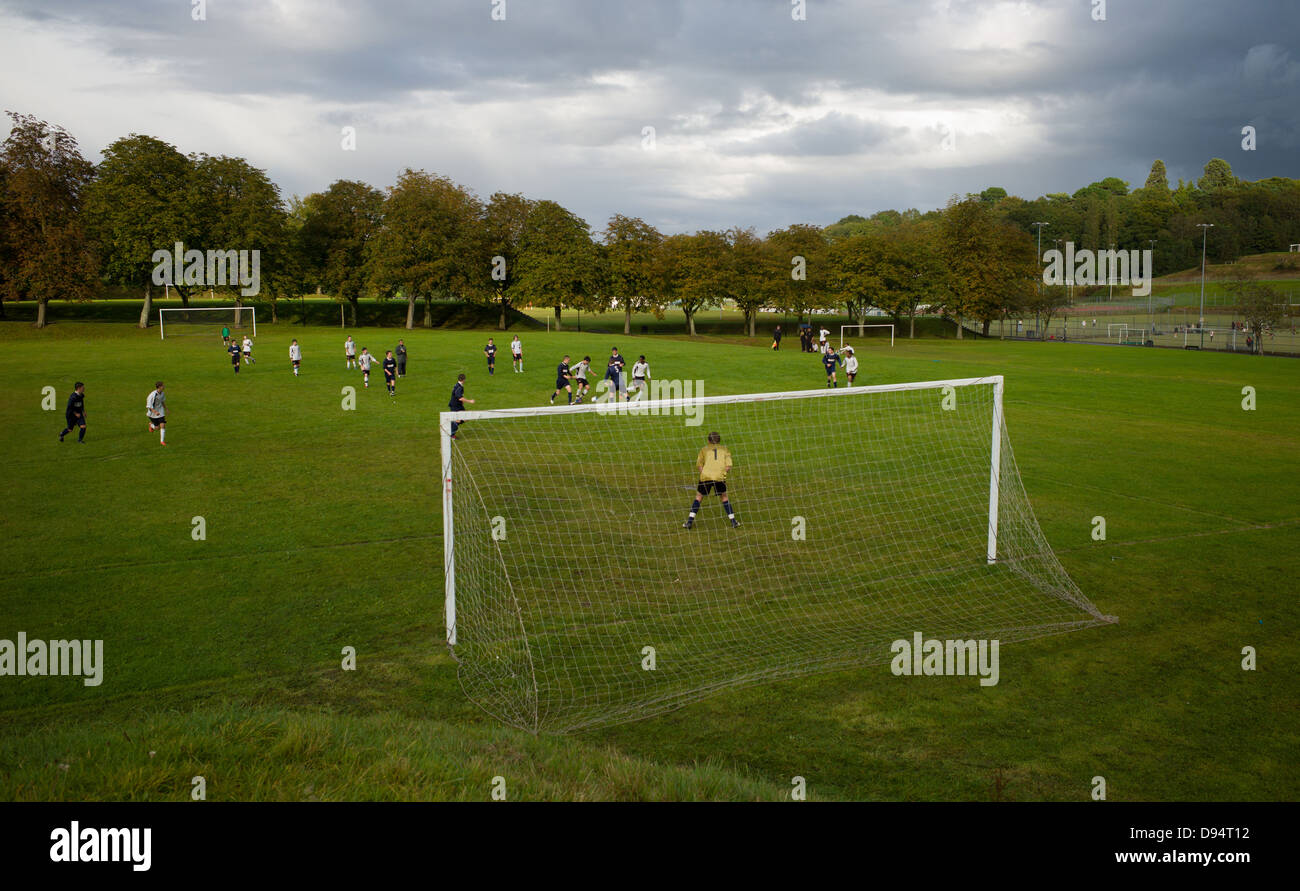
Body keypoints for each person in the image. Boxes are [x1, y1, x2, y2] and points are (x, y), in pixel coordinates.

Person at [683, 431, 739, 529]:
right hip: (719, 477)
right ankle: (733, 521)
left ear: (708, 441)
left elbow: (699, 465)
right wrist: (722, 474)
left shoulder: (704, 449)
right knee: (724, 497)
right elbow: (728, 466)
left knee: (699, 497)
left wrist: (703, 473)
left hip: (706, 476)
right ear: (719, 440)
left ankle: (689, 522)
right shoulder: (725, 450)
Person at [449, 373, 474, 439]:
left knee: (466, 418)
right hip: (455, 406)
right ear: (464, 380)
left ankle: (452, 425)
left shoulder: (458, 385)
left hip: (459, 405)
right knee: (458, 420)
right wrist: (470, 401)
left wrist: (462, 402)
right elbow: (460, 397)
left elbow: (459, 397)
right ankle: (452, 434)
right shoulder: (459, 387)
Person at [146, 381, 167, 446]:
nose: (164, 387)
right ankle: (151, 425)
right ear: (160, 387)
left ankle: (162, 441)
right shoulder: (152, 395)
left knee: (163, 425)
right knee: (157, 428)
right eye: (163, 386)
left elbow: (162, 401)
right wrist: (155, 412)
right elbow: (149, 406)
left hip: (160, 412)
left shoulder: (162, 393)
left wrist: (166, 409)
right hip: (152, 413)